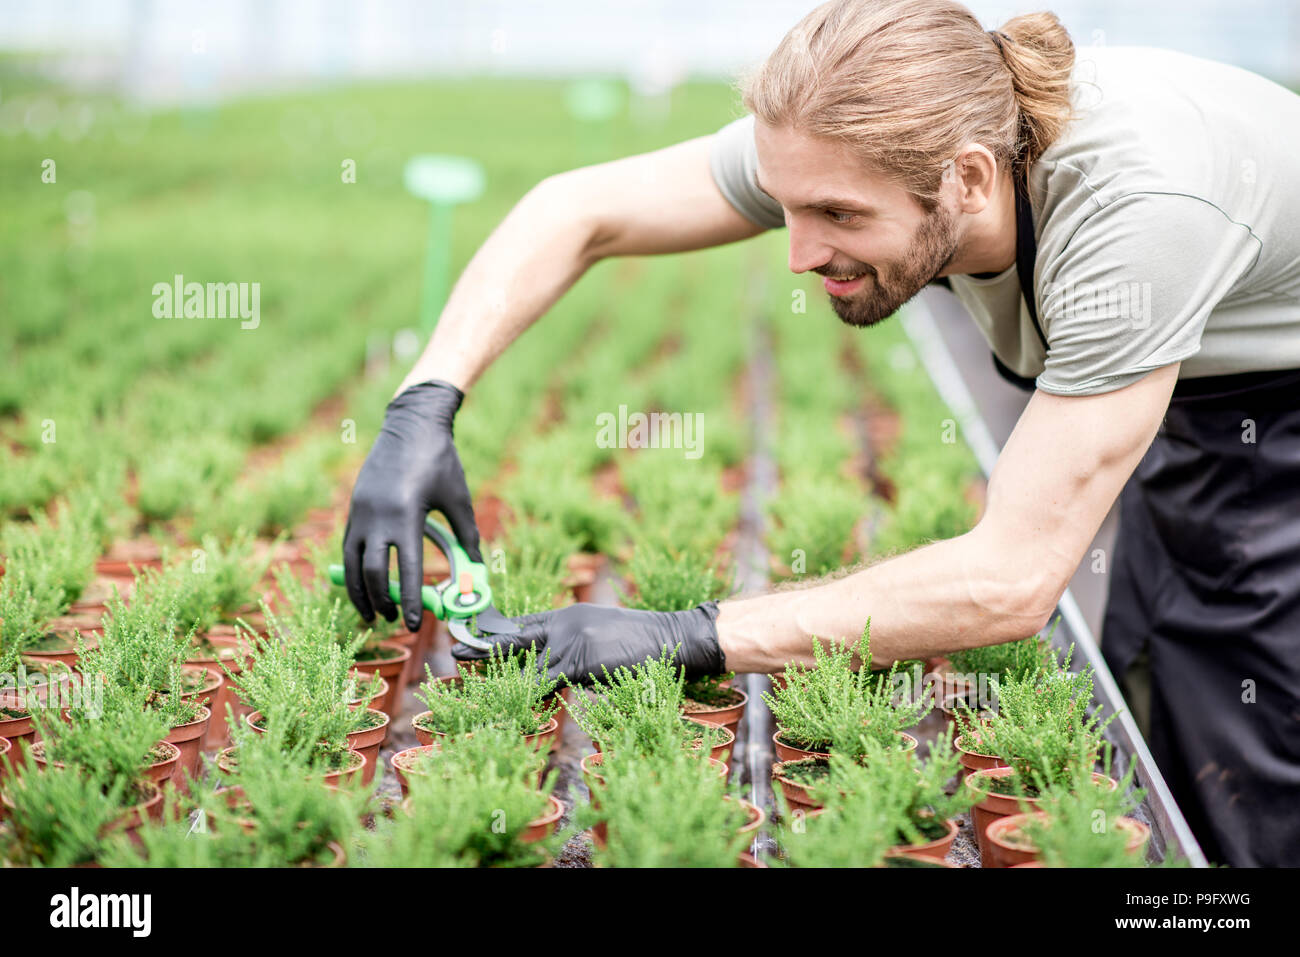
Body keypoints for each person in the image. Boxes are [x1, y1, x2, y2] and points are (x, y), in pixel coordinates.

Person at [343, 0, 1300, 865]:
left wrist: (691, 633)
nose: (799, 252)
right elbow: (577, 210)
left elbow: (1010, 580)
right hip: (1198, 387)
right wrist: (424, 401)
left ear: (968, 178)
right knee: (1156, 657)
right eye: (786, 203)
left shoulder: (1138, 219)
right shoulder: (883, 146)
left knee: (1253, 736)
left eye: (838, 215)